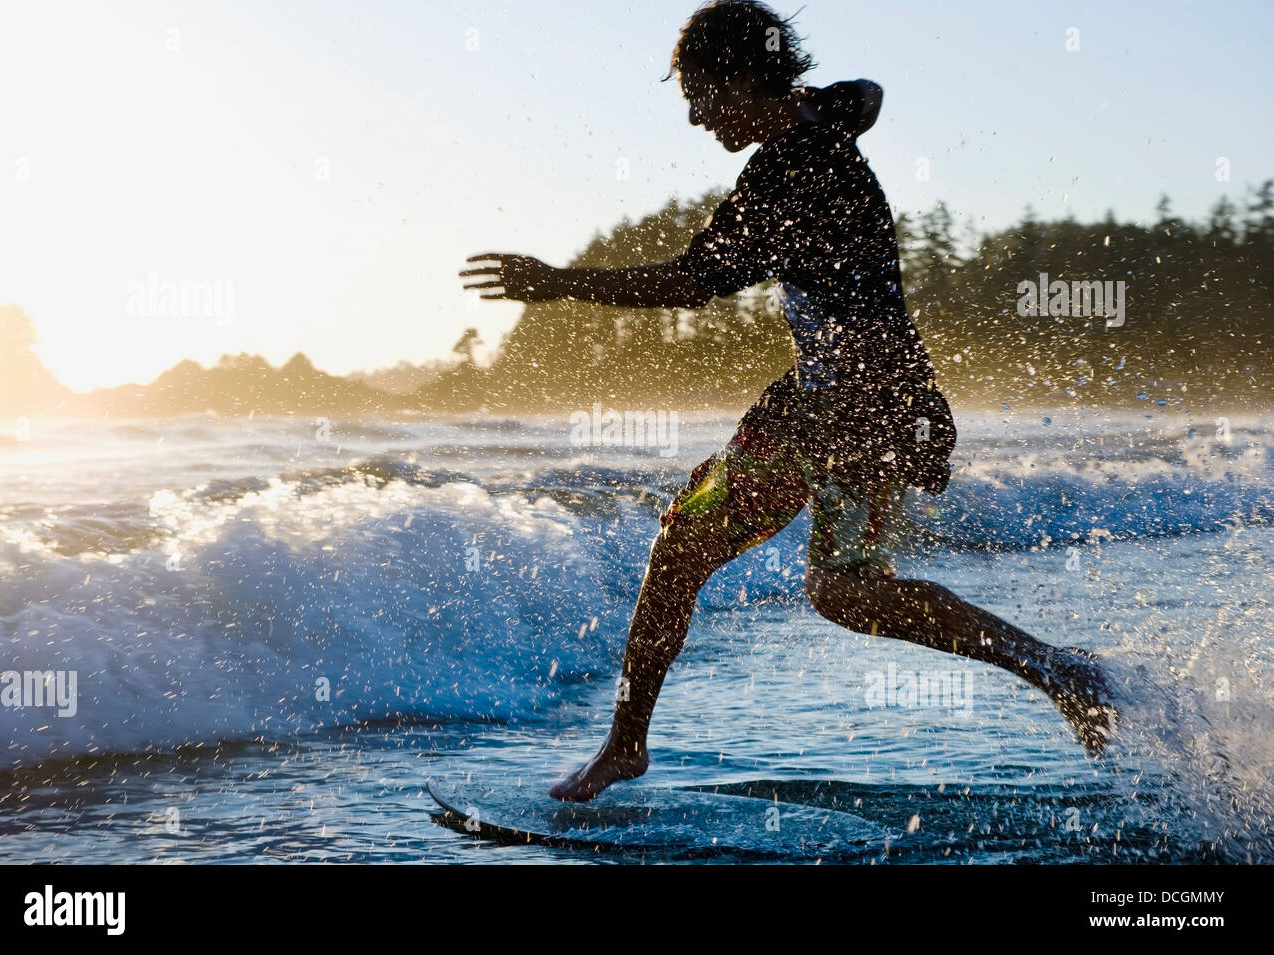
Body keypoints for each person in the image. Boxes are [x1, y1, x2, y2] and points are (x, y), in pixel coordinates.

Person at [460, 0, 1116, 803]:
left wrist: (557, 285)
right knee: (740, 561)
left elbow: (691, 281)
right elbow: (868, 92)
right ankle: (625, 747)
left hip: (859, 403)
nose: (698, 119)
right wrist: (816, 100)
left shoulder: (789, 172)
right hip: (840, 397)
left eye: (701, 97)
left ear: (740, 77)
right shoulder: (826, 123)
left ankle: (1061, 674)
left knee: (785, 574)